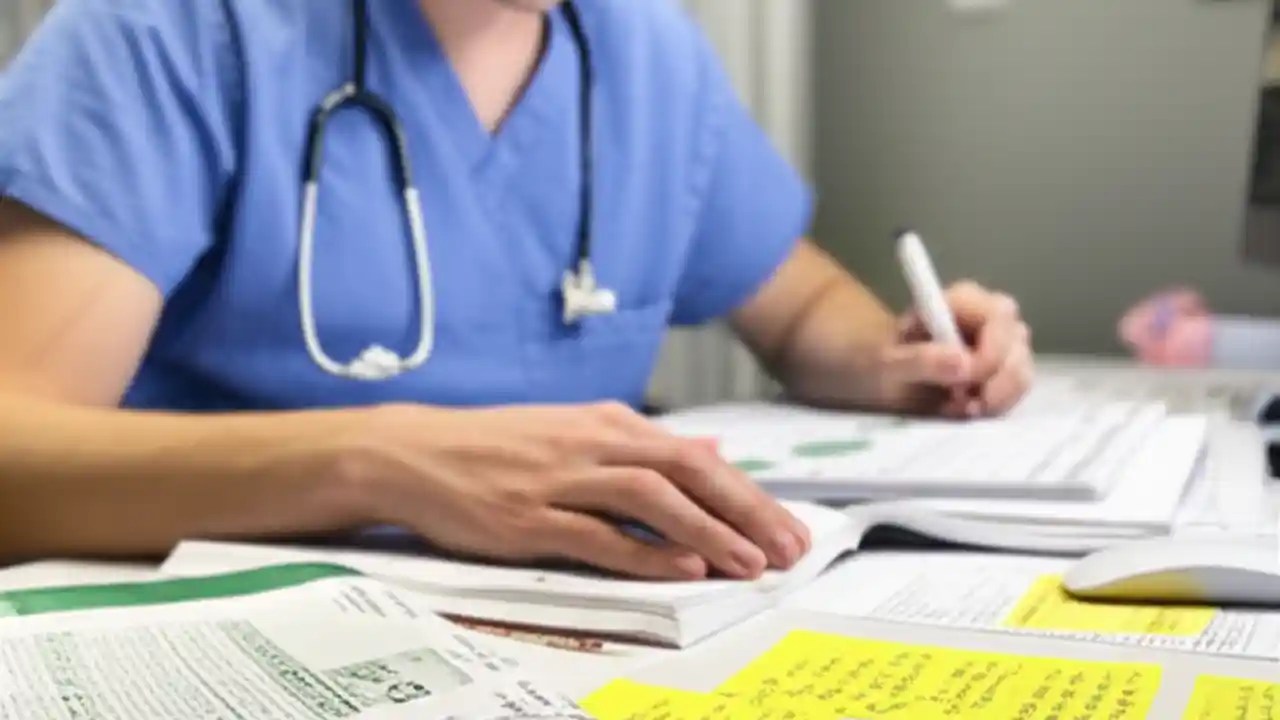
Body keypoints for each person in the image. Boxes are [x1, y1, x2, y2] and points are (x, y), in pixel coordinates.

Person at [0, 0, 1034, 581]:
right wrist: (381, 461)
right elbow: (16, 456)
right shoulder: (168, 34)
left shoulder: (641, 52)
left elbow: (800, 305)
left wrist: (898, 353)